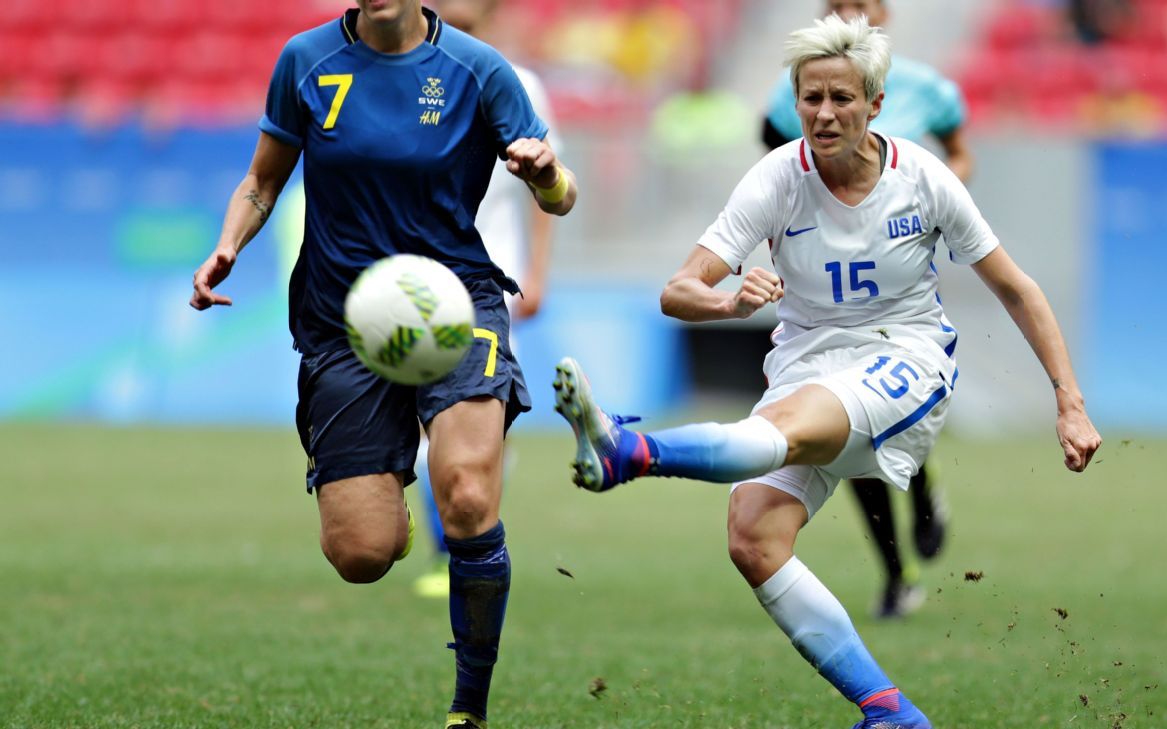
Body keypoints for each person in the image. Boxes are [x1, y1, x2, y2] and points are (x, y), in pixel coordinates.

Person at [554, 15, 1100, 728]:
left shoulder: (923, 179)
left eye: (842, 98)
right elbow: (675, 290)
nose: (824, 112)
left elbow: (1018, 289)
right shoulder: (777, 177)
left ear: (875, 102)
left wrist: (1070, 402)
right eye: (811, 97)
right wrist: (729, 299)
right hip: (807, 359)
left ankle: (630, 451)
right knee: (753, 538)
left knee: (782, 426)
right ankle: (889, 711)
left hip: (905, 356)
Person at [188, 2, 577, 728]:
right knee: (361, 553)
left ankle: (470, 707)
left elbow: (562, 195)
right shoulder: (305, 62)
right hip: (345, 319)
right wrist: (228, 242)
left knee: (464, 492)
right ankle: (384, 495)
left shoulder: (478, 69)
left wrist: (548, 173)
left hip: (456, 304)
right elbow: (262, 180)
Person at [763, 0, 974, 619]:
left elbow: (959, 152)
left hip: (899, 285)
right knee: (849, 439)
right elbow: (777, 169)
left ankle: (926, 489)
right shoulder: (794, 91)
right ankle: (894, 569)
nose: (851, 13)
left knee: (893, 406)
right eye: (839, 4)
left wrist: (939, 203)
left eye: (863, 4)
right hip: (831, 293)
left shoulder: (925, 88)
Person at [410, 0, 563, 600]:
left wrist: (538, 271)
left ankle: (473, 544)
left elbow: (545, 183)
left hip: (490, 281)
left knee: (488, 426)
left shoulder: (520, 85)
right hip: (415, 282)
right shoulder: (404, 73)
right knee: (428, 428)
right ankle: (443, 547)